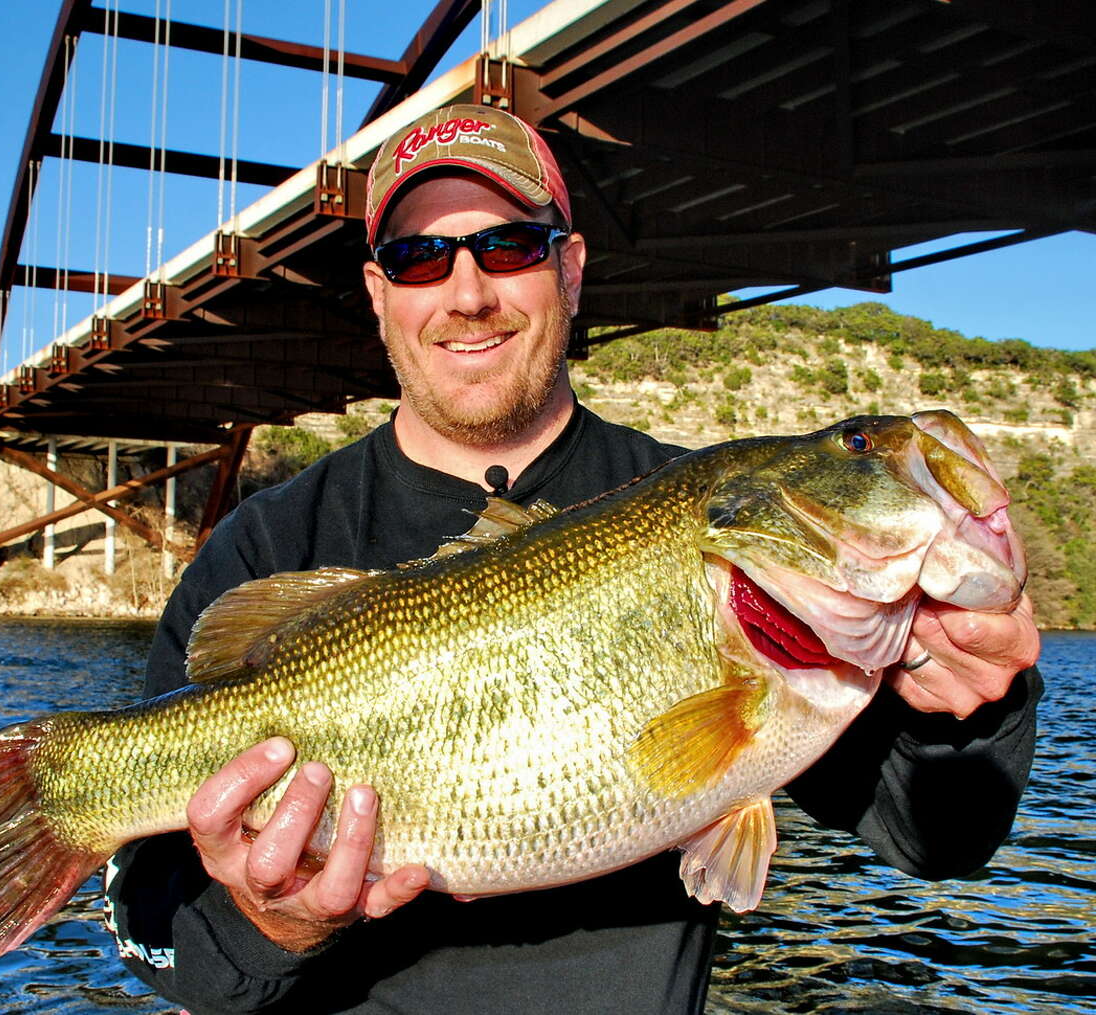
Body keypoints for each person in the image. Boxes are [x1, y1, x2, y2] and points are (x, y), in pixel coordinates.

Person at [103, 103, 1042, 1014]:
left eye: (508, 247)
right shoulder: (267, 545)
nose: (467, 292)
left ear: (573, 268)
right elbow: (155, 935)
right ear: (380, 294)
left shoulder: (711, 524)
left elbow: (941, 839)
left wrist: (969, 701)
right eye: (420, 258)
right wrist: (271, 923)